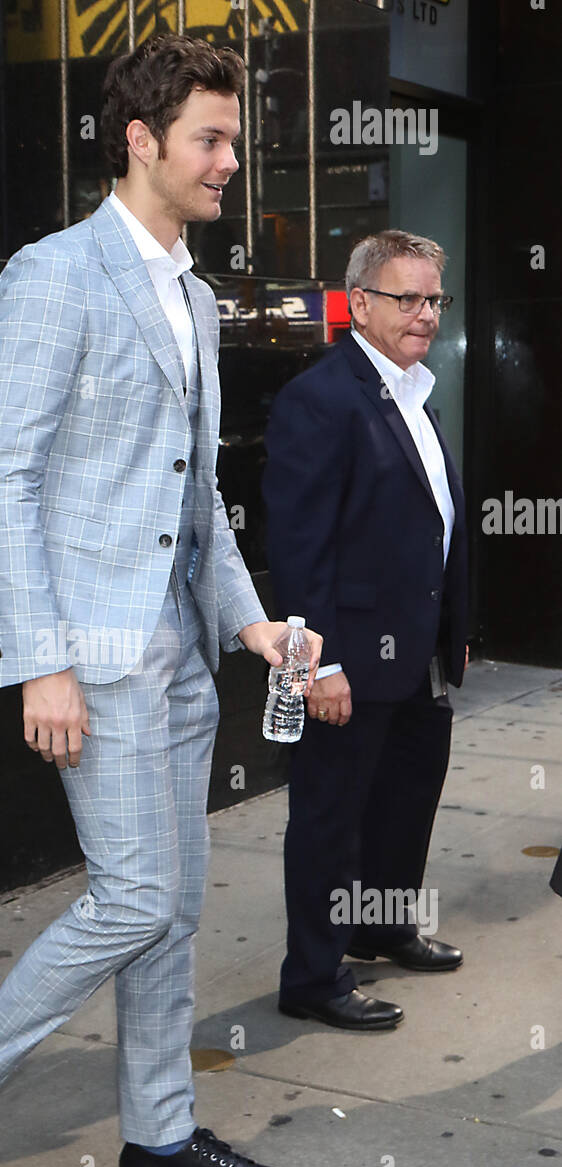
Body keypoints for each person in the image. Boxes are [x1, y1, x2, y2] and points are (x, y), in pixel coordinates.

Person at [0, 35, 321, 1167]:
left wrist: (253, 621)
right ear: (140, 139)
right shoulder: (53, 274)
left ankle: (158, 1131)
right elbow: (3, 476)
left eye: (233, 139)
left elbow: (191, 503)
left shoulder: (191, 294)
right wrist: (41, 659)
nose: (230, 161)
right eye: (210, 138)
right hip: (91, 653)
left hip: (179, 658)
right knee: (134, 898)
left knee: (173, 907)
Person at [263, 230, 469, 1032]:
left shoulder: (417, 393)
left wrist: (450, 638)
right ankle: (313, 976)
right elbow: (298, 549)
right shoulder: (319, 399)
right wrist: (320, 665)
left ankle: (380, 927)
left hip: (418, 656)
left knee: (404, 802)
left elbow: (433, 528)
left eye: (434, 299)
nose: (425, 315)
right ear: (359, 303)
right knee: (329, 818)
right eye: (407, 298)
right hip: (346, 659)